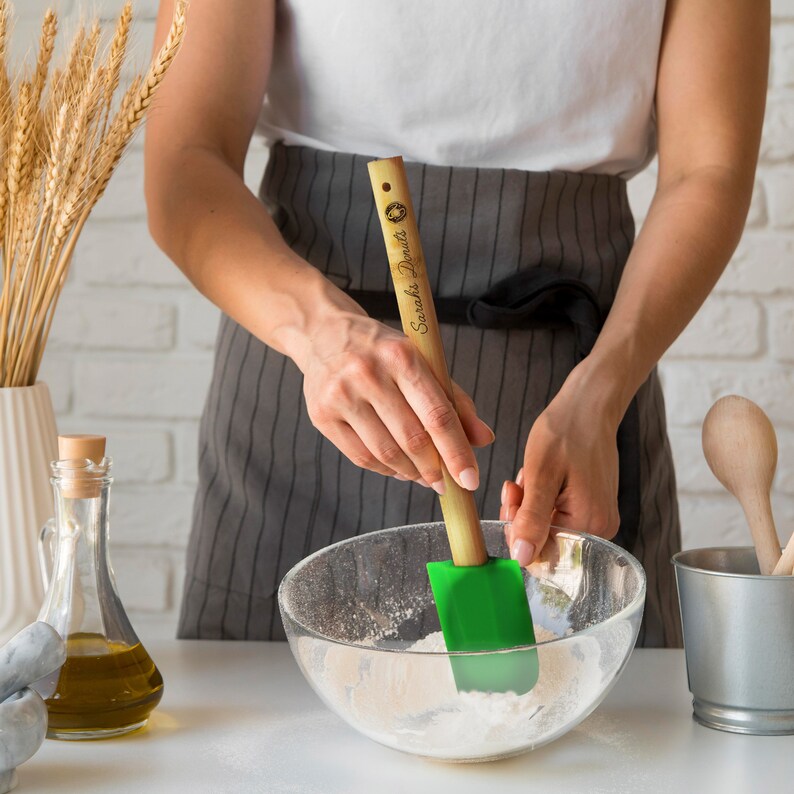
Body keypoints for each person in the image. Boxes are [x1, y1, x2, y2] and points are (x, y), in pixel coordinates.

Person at [145, 0, 769, 647]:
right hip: (313, 380)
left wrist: (601, 397)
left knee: (595, 732)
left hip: (579, 394)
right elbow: (184, 160)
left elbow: (709, 170)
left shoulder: (593, 401)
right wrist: (321, 334)